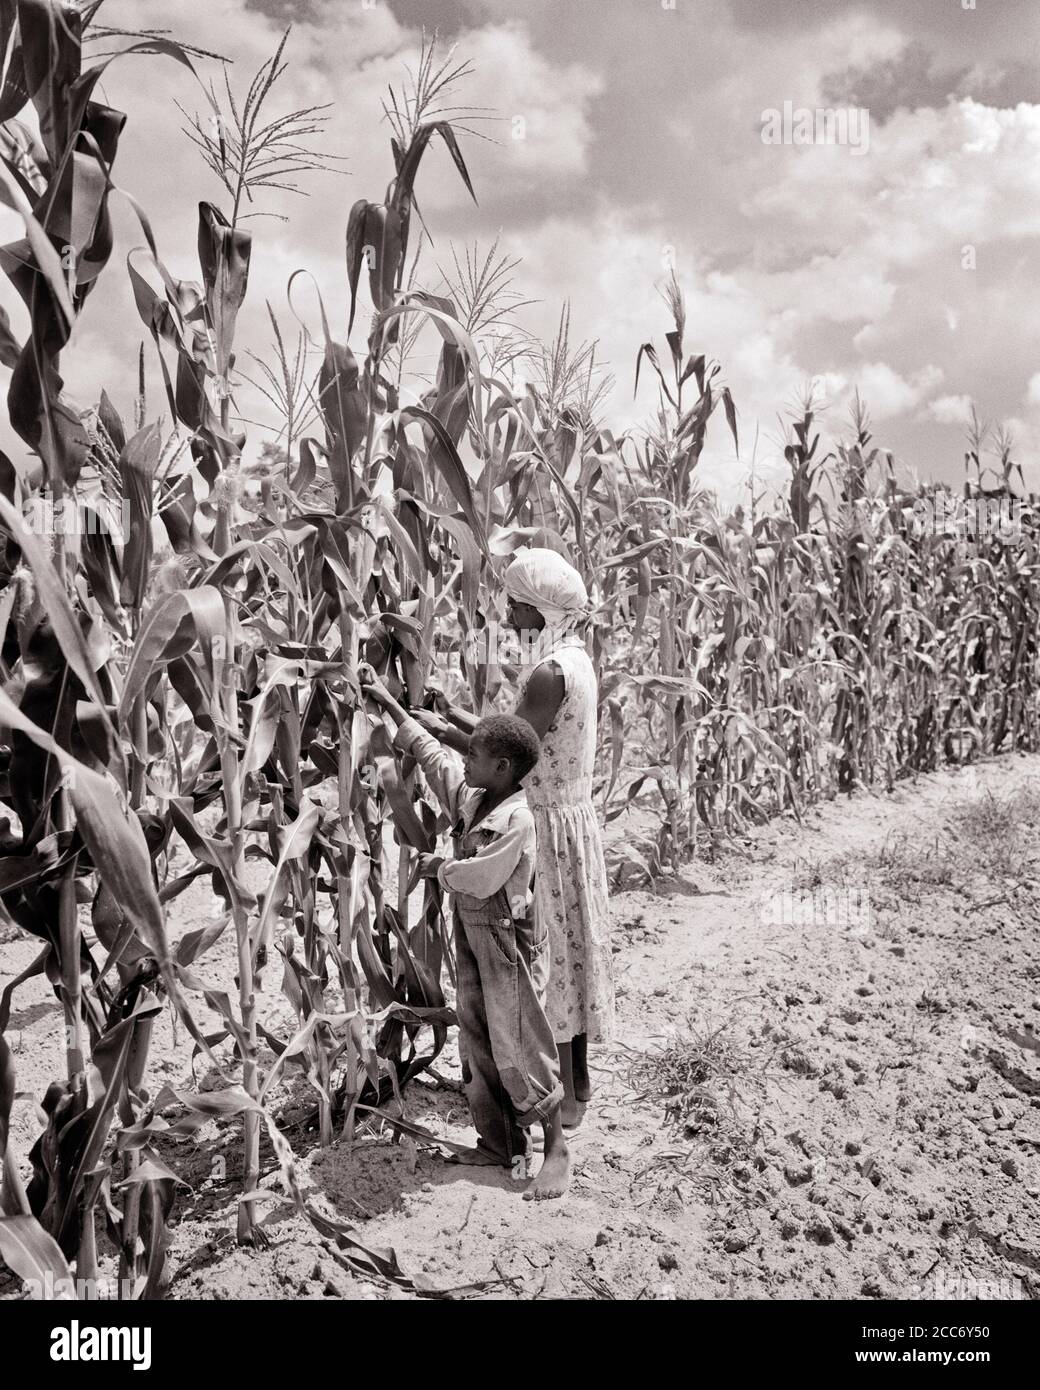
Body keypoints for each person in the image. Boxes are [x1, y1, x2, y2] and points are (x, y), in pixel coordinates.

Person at [358, 664, 570, 1200]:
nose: (464, 758)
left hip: (507, 941)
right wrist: (387, 700)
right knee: (477, 1036)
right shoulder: (477, 797)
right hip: (474, 935)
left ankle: (555, 1147)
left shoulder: (517, 819)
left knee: (519, 1038)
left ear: (501, 767)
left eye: (473, 754)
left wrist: (438, 869)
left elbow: (482, 876)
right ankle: (499, 1143)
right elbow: (432, 757)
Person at [424, 547, 616, 1128]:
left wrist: (436, 732)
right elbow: (510, 735)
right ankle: (577, 1088)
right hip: (572, 821)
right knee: (573, 957)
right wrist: (456, 714)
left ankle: (552, 1102)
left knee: (546, 964)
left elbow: (509, 756)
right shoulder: (575, 659)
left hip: (545, 827)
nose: (506, 614)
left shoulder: (547, 673)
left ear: (540, 608)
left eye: (515, 603)